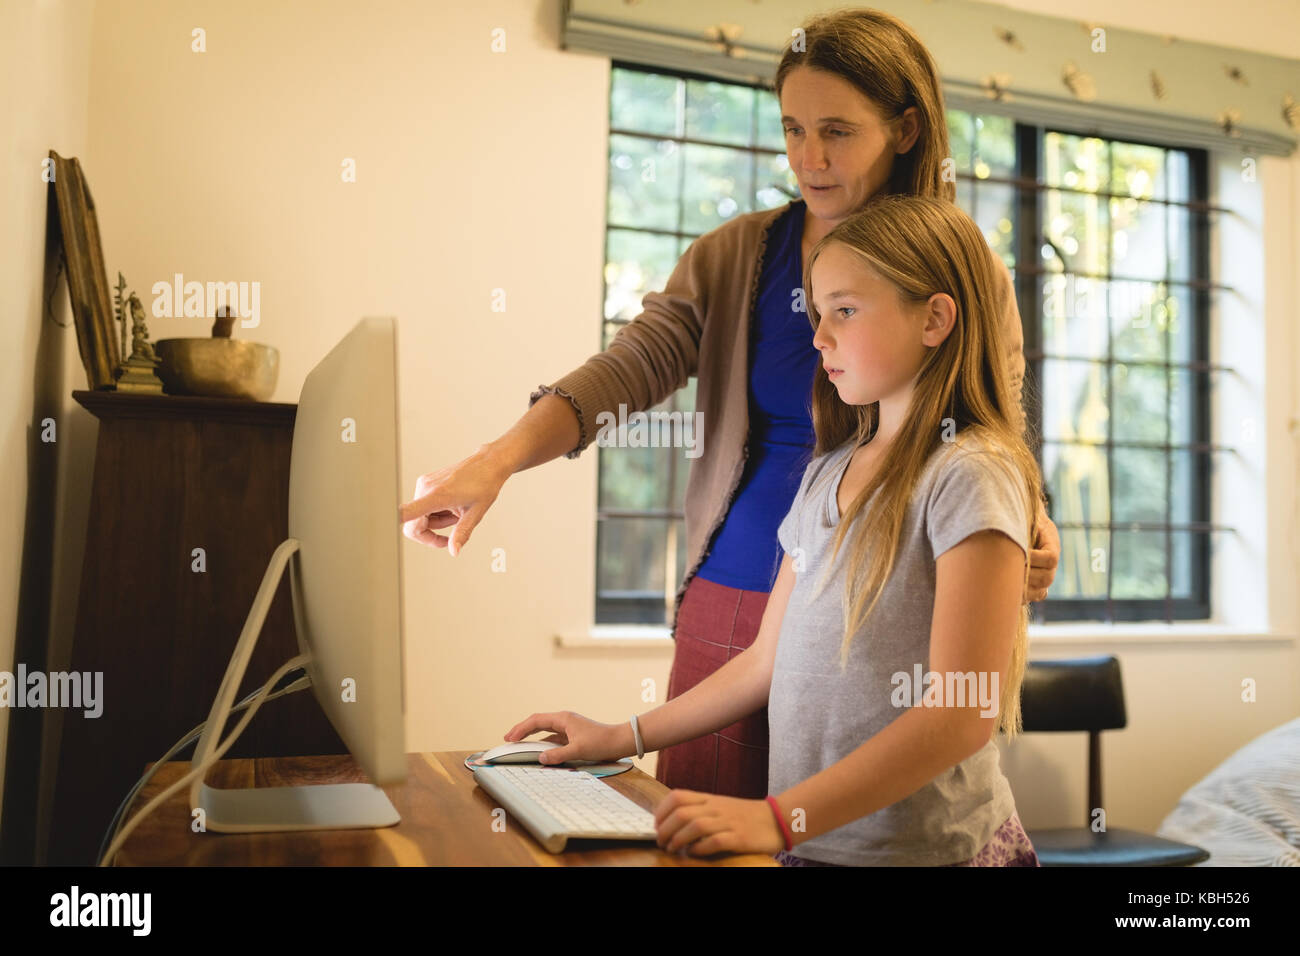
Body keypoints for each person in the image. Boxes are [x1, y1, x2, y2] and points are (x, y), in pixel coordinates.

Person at [399, 7, 1060, 801]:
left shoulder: (967, 268)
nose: (807, 159)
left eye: (838, 132)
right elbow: (630, 367)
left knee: (864, 829)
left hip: (891, 607)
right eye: (791, 129)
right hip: (744, 598)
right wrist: (496, 462)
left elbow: (995, 424)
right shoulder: (736, 256)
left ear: (907, 130)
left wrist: (1030, 517)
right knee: (703, 827)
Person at [503, 193, 1042, 866]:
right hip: (817, 850)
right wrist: (619, 736)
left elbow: (960, 714)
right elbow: (762, 663)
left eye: (845, 311)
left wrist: (780, 821)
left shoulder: (969, 473)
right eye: (818, 313)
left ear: (934, 317)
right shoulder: (828, 472)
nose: (819, 337)